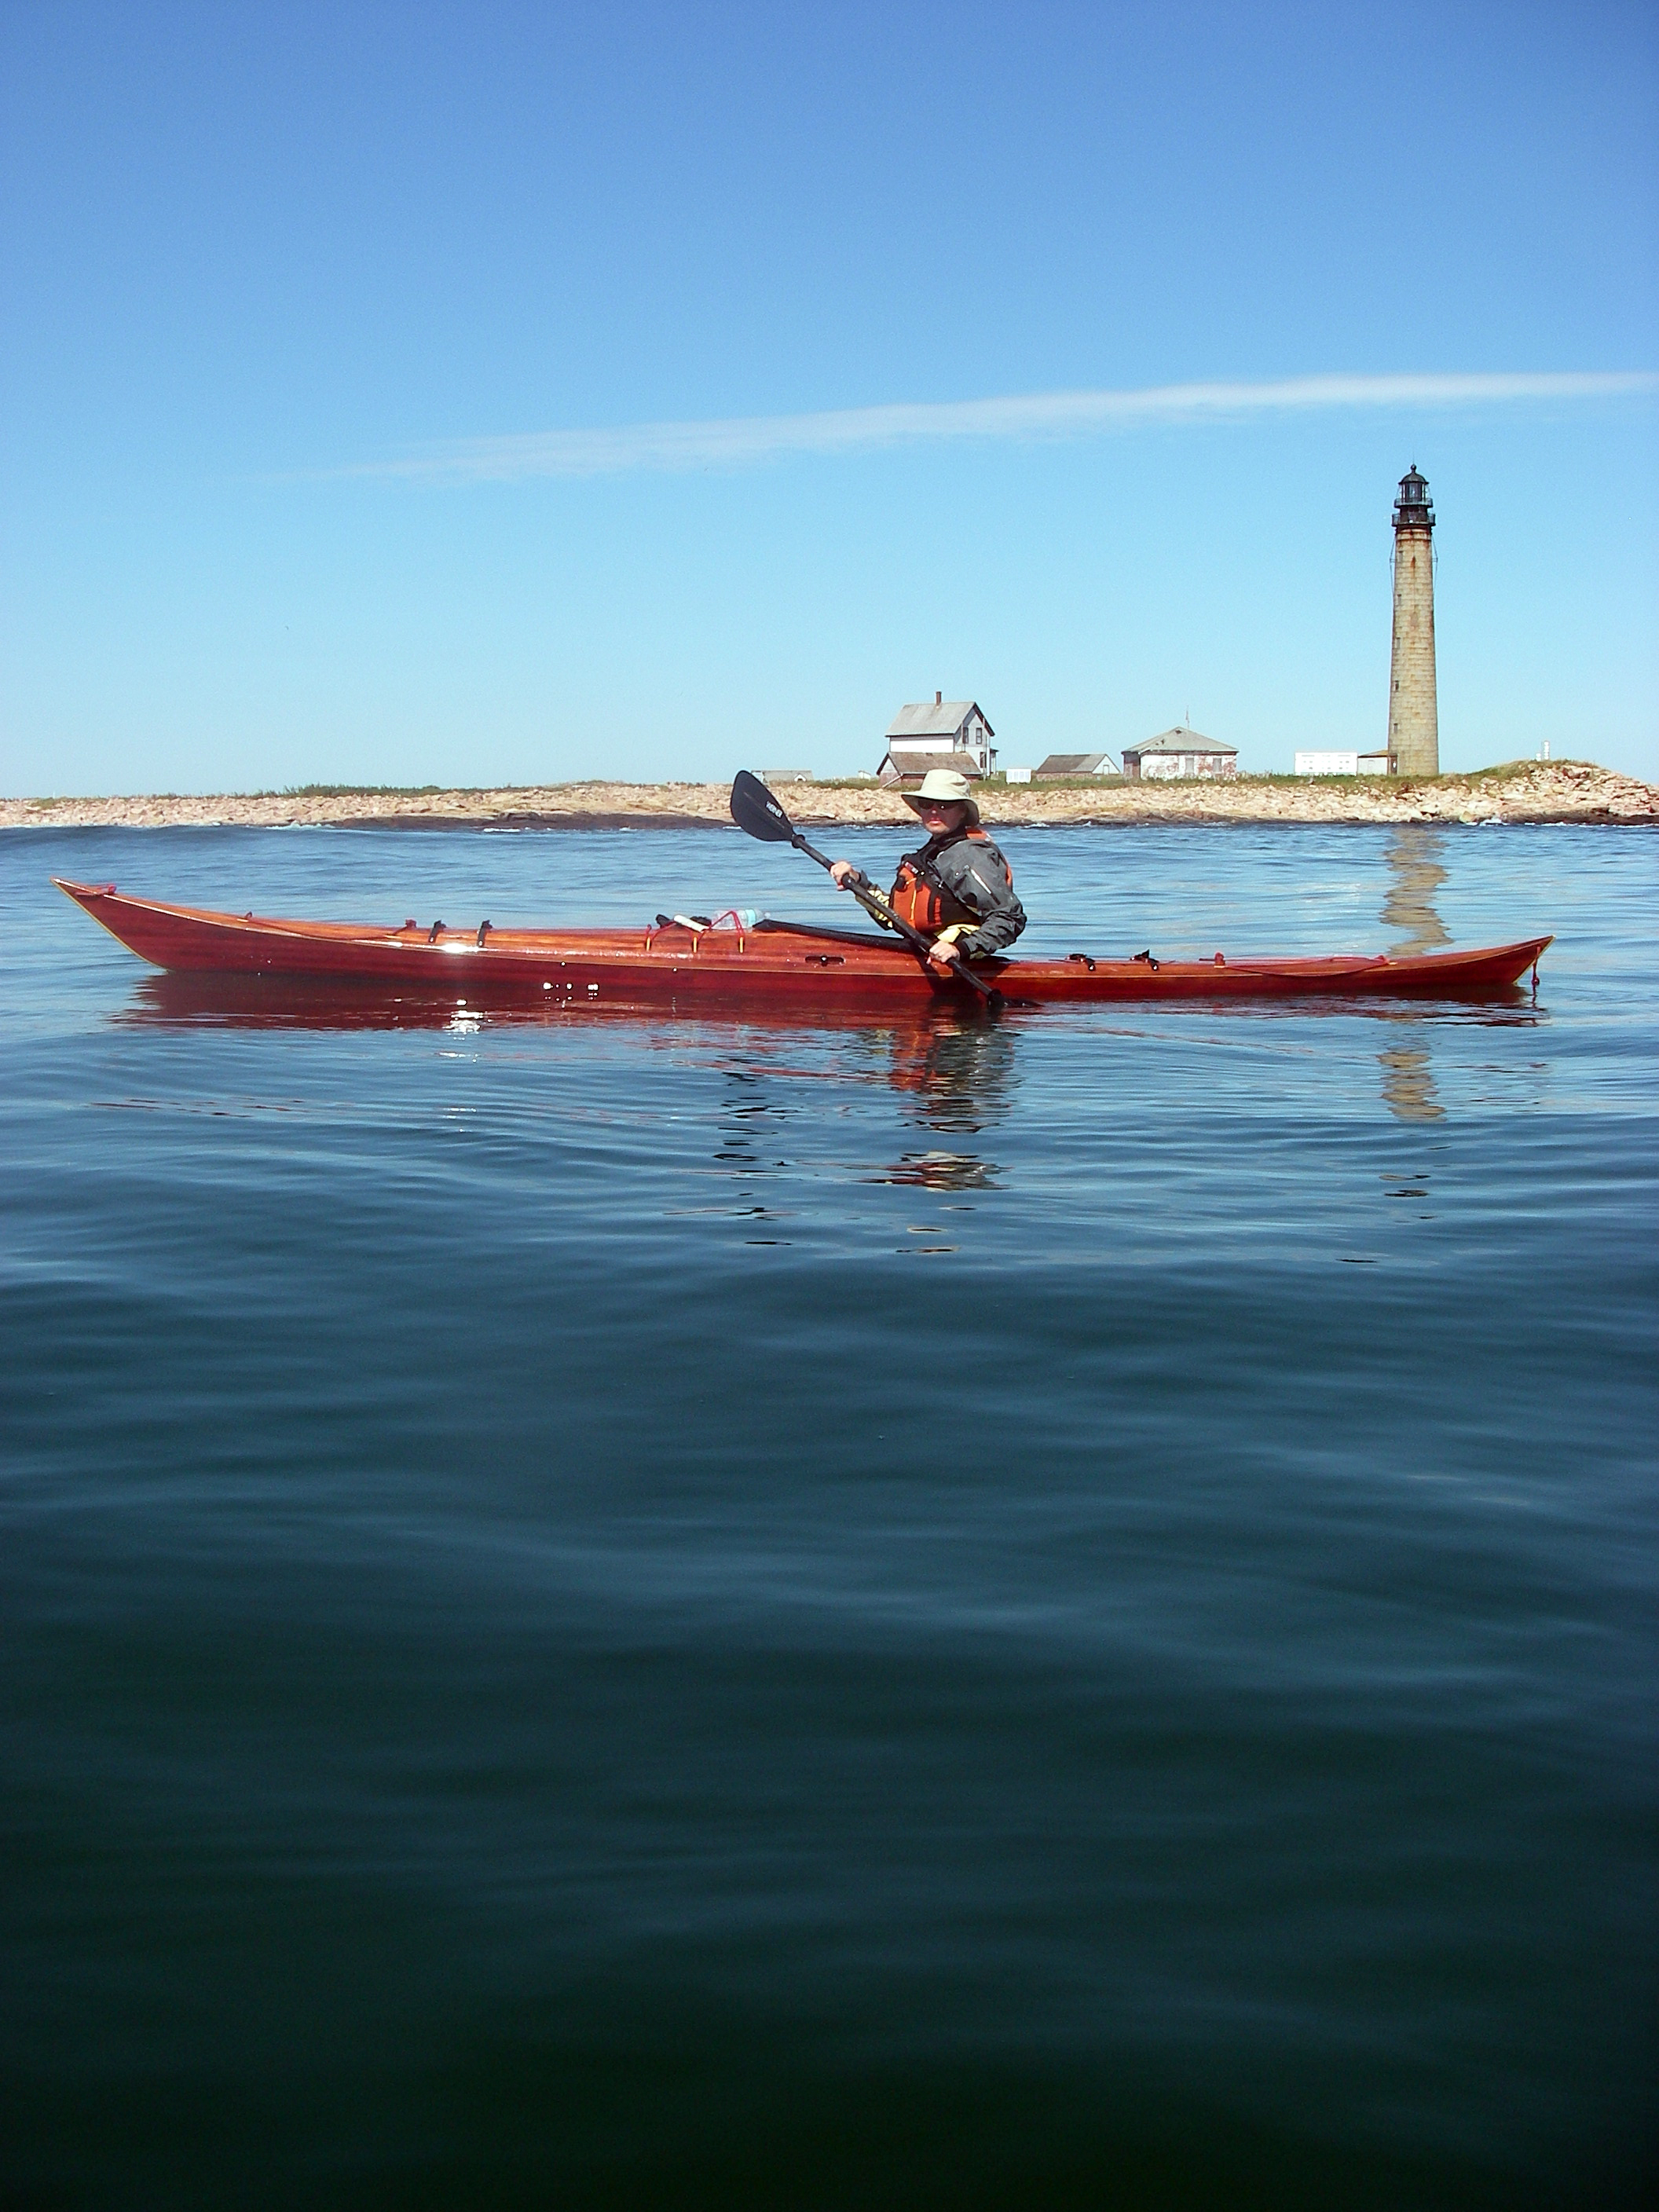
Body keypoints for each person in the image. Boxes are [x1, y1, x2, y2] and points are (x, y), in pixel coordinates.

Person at [830, 769, 1026, 970]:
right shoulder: (931, 853)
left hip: (959, 962)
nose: (934, 811)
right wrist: (857, 883)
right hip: (924, 953)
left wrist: (959, 948)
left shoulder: (971, 857)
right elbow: (896, 917)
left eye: (944, 805)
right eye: (926, 804)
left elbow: (1009, 918)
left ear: (962, 812)